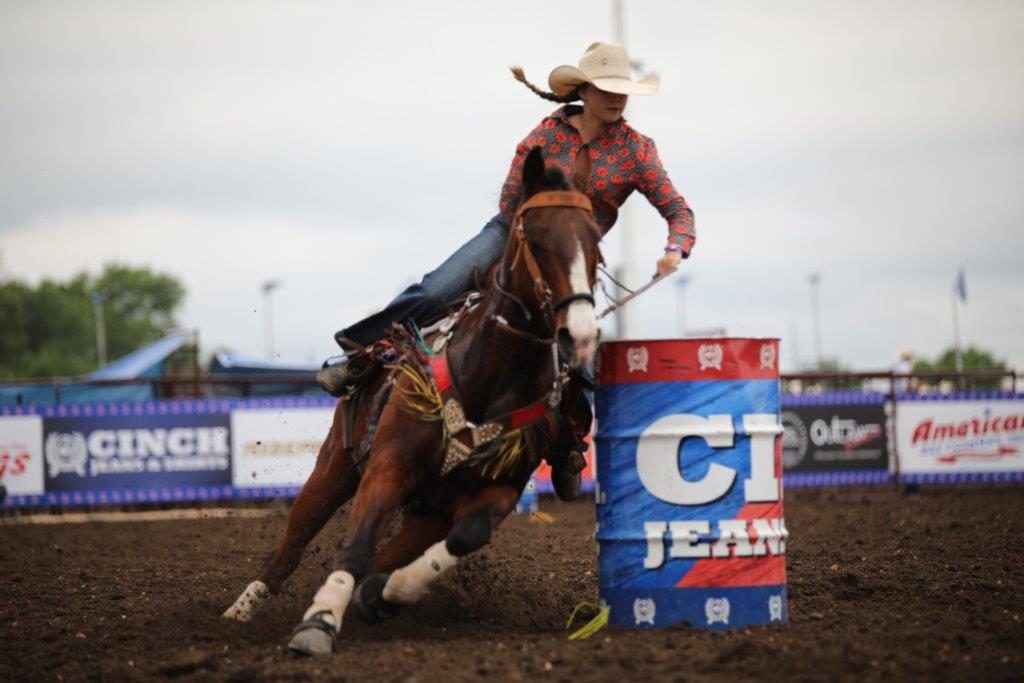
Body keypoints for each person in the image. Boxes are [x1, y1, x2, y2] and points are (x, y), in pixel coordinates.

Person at [317, 42, 696, 497]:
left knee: (583, 357)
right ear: (585, 90)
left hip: (570, 257)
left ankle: (568, 444)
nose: (617, 98)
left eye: (623, 90)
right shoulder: (546, 133)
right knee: (437, 289)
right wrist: (523, 247)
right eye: (607, 88)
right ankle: (361, 355)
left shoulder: (637, 150)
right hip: (512, 234)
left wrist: (675, 248)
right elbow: (510, 196)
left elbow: (677, 210)